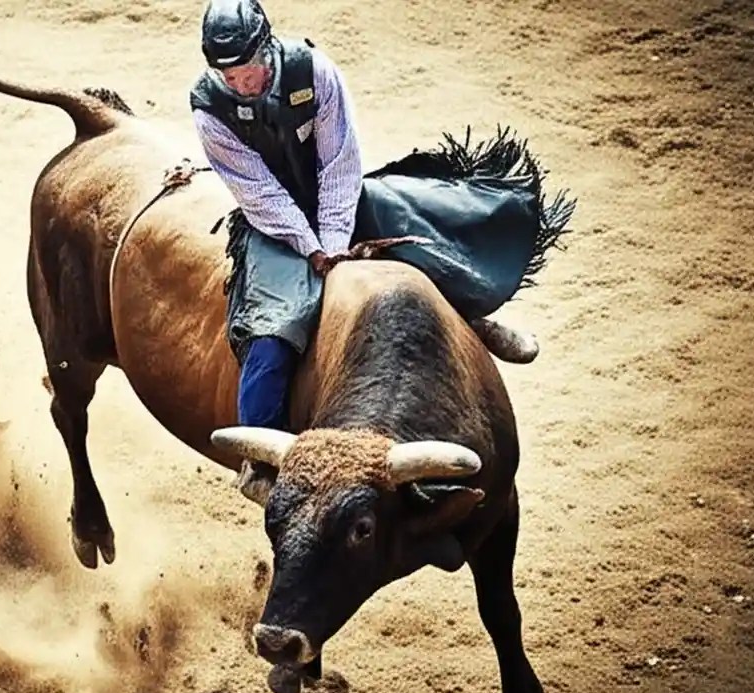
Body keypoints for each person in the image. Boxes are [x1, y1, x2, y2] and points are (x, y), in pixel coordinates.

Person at [188, 0, 540, 500]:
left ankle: (476, 314)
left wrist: (334, 244)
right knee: (271, 332)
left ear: (267, 48)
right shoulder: (209, 109)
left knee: (423, 244)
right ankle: (261, 460)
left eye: (248, 70)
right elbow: (258, 193)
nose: (242, 83)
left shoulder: (315, 72)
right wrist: (312, 251)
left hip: (340, 197)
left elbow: (338, 162)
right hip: (274, 225)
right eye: (229, 76)